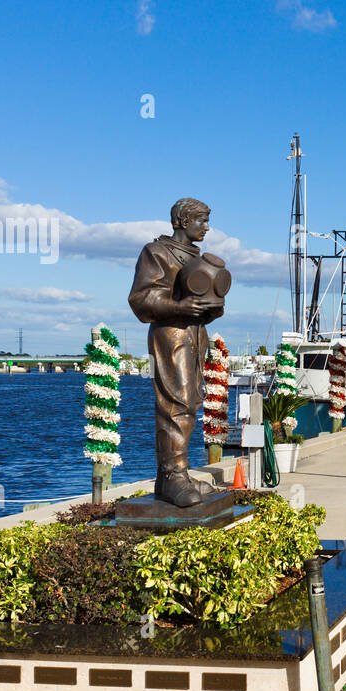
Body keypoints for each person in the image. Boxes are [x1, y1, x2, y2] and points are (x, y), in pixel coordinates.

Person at [129, 197, 227, 507]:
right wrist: (177, 306)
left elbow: (205, 302)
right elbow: (141, 299)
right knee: (176, 401)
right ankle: (171, 477)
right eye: (202, 221)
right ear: (183, 221)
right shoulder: (156, 252)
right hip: (170, 335)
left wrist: (210, 309)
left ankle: (176, 474)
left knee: (191, 401)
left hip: (194, 335)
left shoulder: (194, 257)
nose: (207, 227)